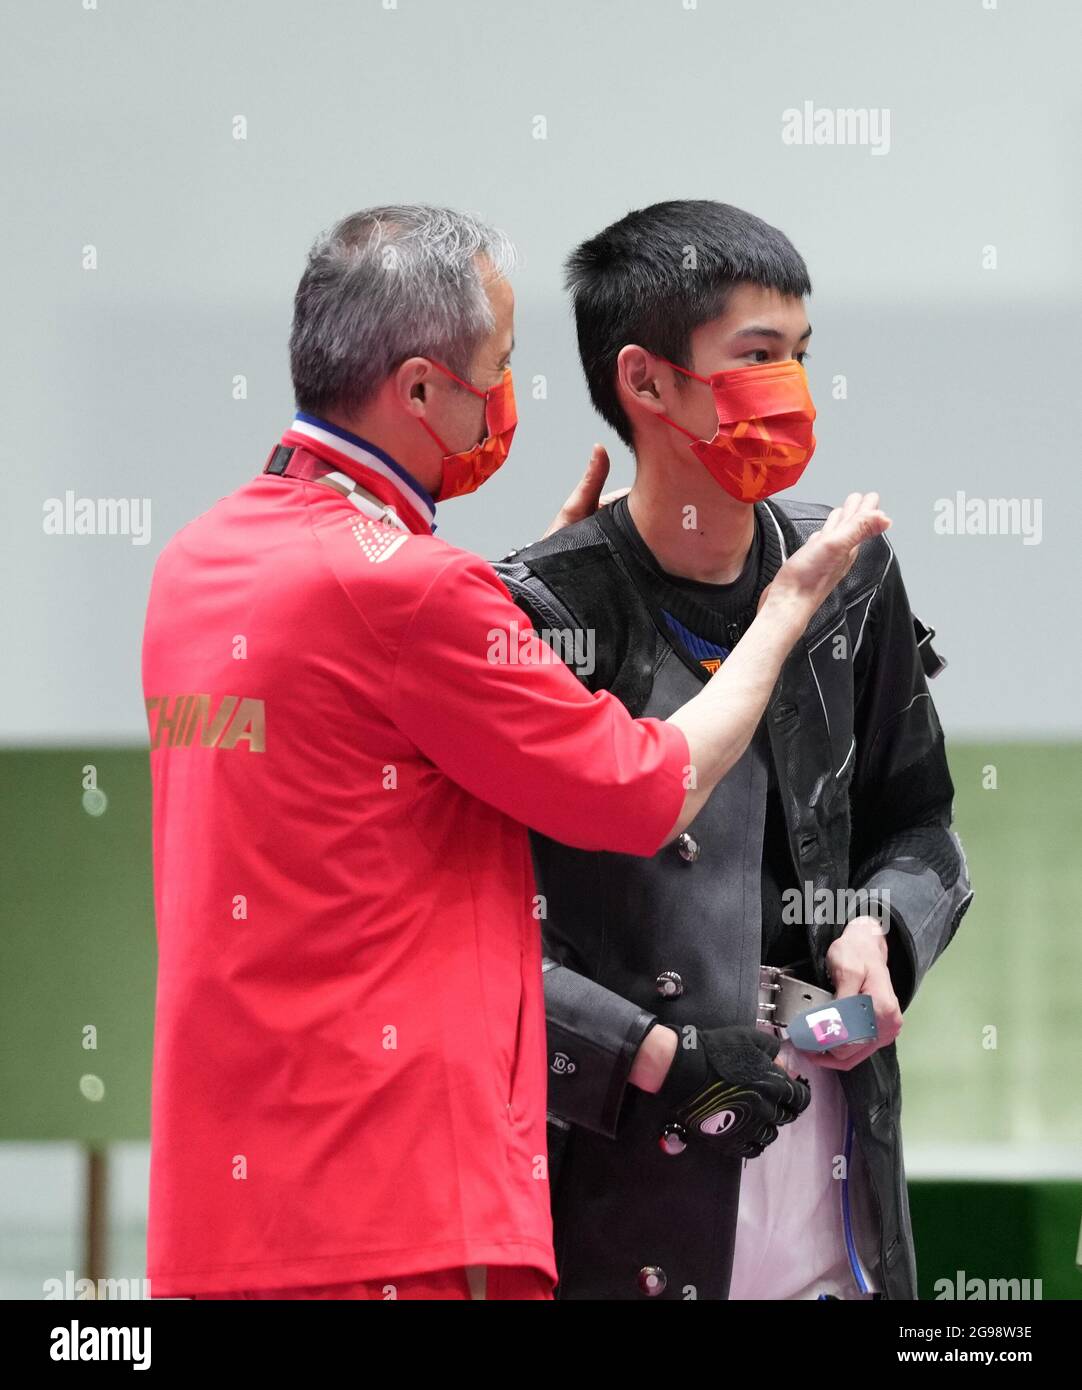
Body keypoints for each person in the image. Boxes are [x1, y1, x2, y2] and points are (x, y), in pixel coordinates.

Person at [141, 204, 887, 1301]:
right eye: (493, 370)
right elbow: (644, 788)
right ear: (416, 390)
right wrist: (781, 610)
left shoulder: (197, 565)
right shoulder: (411, 591)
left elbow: (374, 756)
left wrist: (509, 621)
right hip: (384, 1208)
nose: (504, 401)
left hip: (227, 1208)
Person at [494, 199, 973, 1300]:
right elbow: (484, 936)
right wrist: (647, 1054)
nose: (791, 391)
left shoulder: (850, 571)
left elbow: (923, 827)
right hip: (629, 1177)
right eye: (756, 358)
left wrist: (880, 930)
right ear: (645, 381)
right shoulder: (539, 607)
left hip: (833, 1149)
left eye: (800, 356)